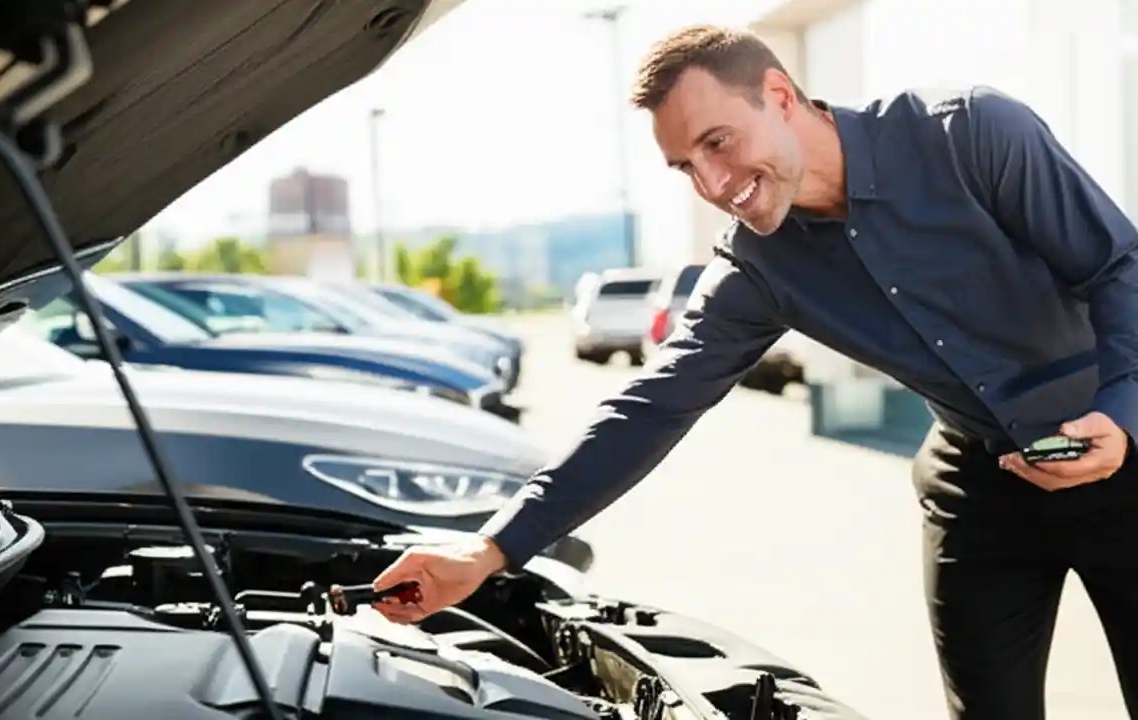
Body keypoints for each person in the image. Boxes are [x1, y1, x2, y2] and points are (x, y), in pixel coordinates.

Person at [372, 23, 1138, 720]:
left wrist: (1121, 413)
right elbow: (650, 405)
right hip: (977, 484)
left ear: (779, 95)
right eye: (685, 167)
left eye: (719, 142)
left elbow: (1118, 266)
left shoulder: (970, 134)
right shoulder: (758, 266)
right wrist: (491, 548)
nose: (711, 184)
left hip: (1122, 456)